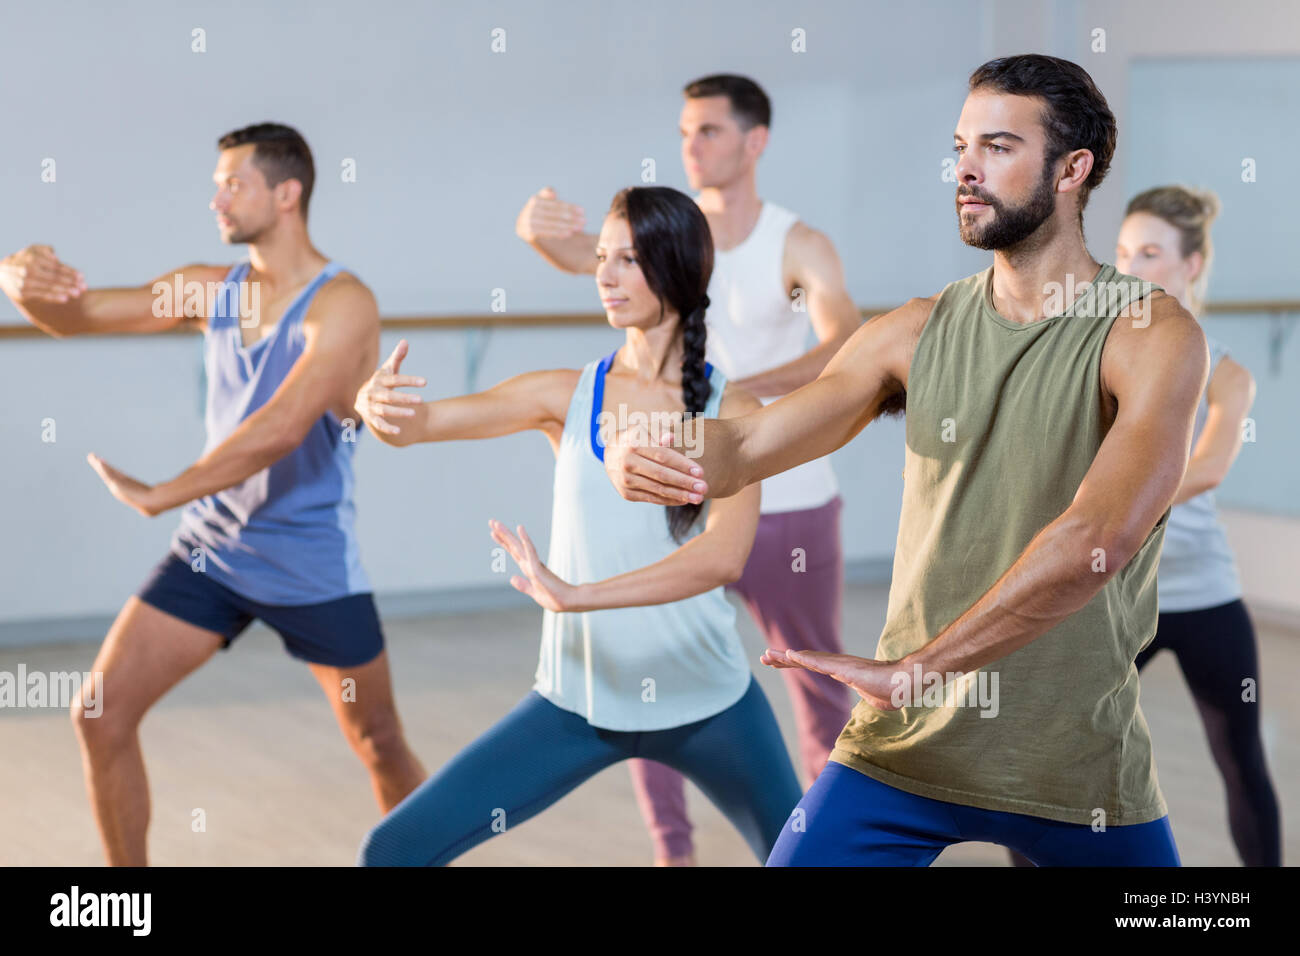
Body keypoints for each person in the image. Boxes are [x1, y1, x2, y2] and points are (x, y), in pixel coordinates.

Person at [602, 54, 1211, 866]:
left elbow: (1098, 538)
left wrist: (921, 668)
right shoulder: (914, 331)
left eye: (997, 147)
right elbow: (745, 445)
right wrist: (637, 448)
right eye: (961, 145)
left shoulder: (1149, 335)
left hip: (1076, 766)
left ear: (1073, 169)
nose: (964, 167)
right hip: (903, 751)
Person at [0, 123, 426, 866]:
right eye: (216, 183)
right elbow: (79, 314)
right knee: (99, 715)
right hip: (213, 553)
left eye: (234, 183)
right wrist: (20, 278)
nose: (216, 198)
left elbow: (283, 427)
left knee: (379, 740)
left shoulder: (344, 304)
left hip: (310, 564)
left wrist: (167, 491)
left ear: (287, 193)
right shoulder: (212, 291)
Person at [354, 185, 802, 866]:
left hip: (707, 701)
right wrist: (374, 403)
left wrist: (579, 596)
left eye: (627, 259)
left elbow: (722, 560)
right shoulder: (565, 394)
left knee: (812, 857)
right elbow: (423, 424)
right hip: (577, 703)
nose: (604, 274)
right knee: (391, 850)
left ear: (677, 268)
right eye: (600, 257)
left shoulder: (731, 409)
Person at [515, 73, 858, 866]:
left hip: (789, 506)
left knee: (812, 684)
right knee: (643, 679)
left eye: (707, 130)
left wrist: (730, 406)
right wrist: (535, 232)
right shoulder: (672, 234)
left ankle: (829, 846)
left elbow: (844, 344)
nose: (690, 145)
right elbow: (594, 259)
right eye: (683, 132)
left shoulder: (797, 243)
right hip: (670, 502)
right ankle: (676, 855)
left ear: (755, 141)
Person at [1007, 185, 1280, 866]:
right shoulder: (1095, 350)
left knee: (1240, 755)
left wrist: (1111, 503)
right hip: (1112, 594)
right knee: (1042, 749)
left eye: (1150, 252)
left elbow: (1210, 466)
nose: (1129, 265)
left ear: (1191, 266)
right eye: (1123, 249)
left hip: (1199, 589)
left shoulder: (1226, 372)